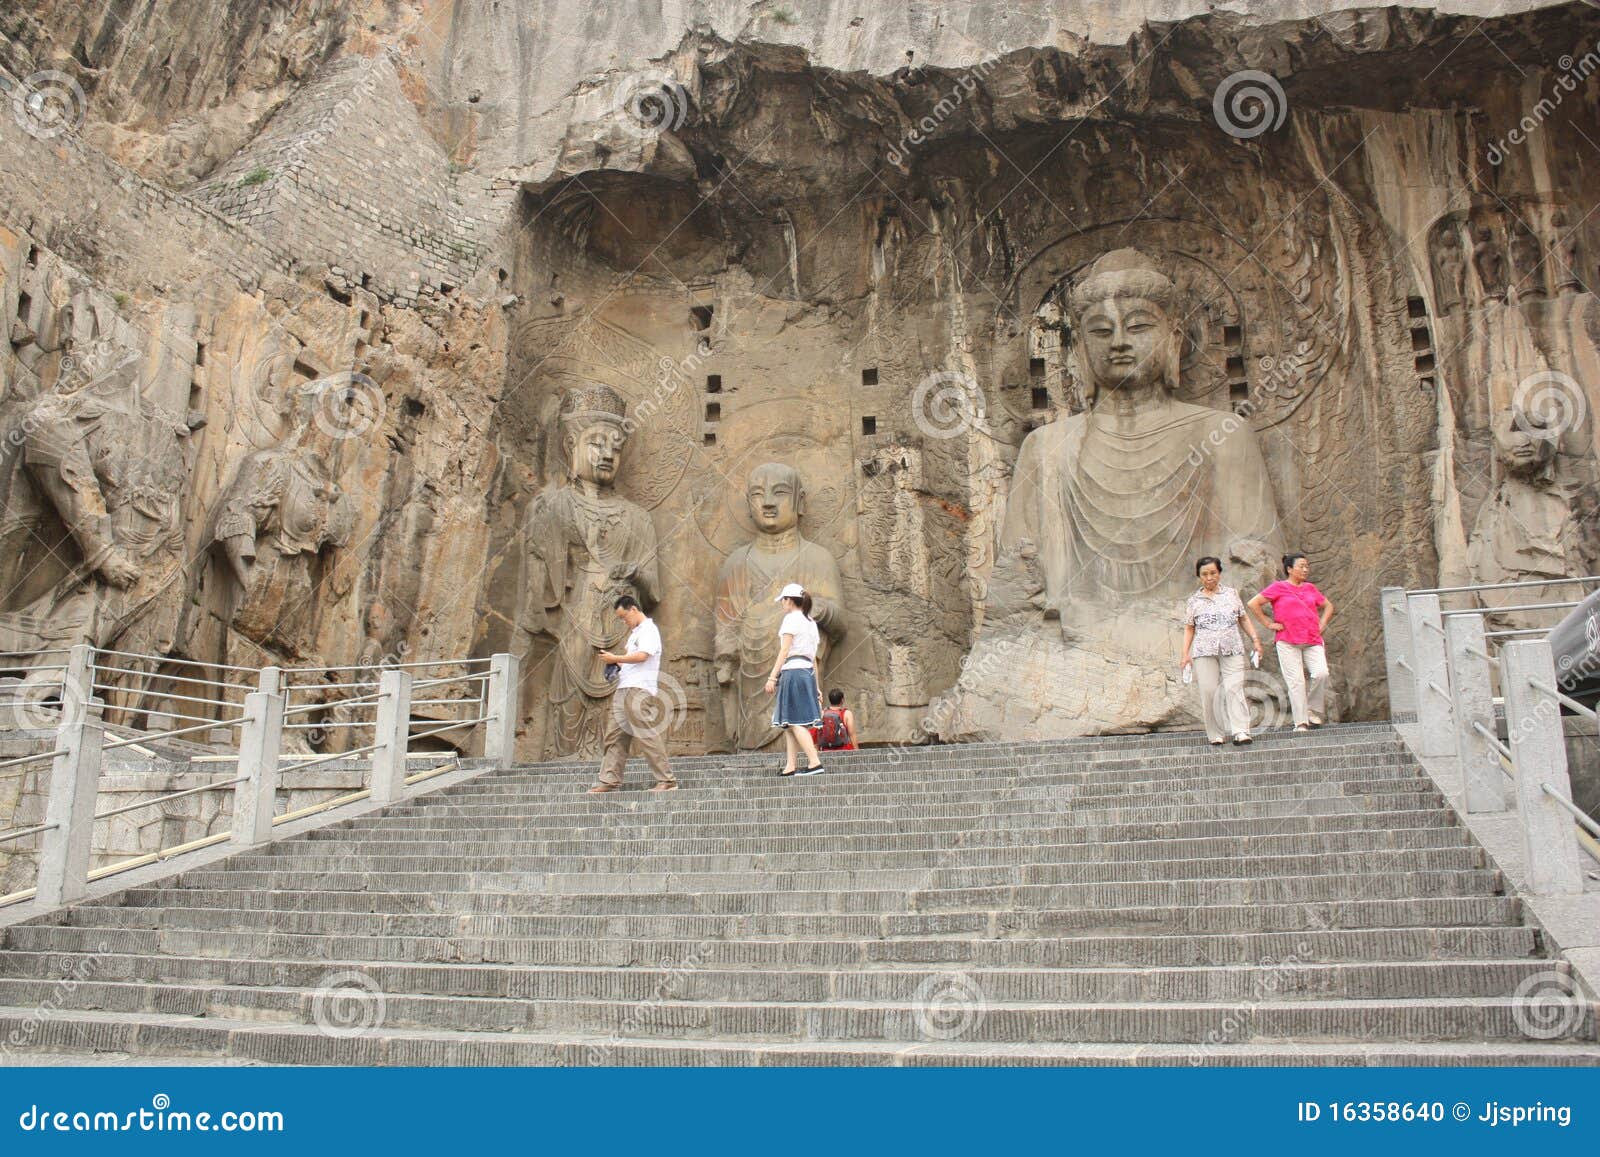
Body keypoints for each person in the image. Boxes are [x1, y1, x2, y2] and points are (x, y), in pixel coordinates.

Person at [587, 595, 677, 793]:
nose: (623, 622)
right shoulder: (635, 634)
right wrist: (614, 663)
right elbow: (632, 660)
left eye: (624, 617)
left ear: (634, 609)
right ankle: (609, 780)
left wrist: (616, 657)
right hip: (624, 688)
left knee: (646, 735)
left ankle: (666, 779)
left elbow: (643, 655)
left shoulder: (649, 630)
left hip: (639, 689)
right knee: (614, 736)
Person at [1180, 556, 1262, 746]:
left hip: (1232, 647)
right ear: (1199, 576)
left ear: (1219, 573)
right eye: (1204, 574)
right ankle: (1215, 733)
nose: (1209, 577)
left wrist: (1255, 640)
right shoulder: (1194, 601)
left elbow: (1243, 618)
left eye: (1213, 573)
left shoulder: (1231, 594)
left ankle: (1241, 731)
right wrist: (1185, 654)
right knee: (1209, 691)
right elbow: (1189, 628)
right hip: (1204, 651)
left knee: (1235, 687)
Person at [1249, 552, 1334, 733]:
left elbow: (1328, 605)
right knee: (1296, 682)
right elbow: (1254, 603)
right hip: (1287, 640)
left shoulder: (1310, 588)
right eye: (1301, 566)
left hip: (1312, 639)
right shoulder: (1279, 587)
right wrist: (1268, 623)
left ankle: (1311, 708)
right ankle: (1301, 722)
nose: (1305, 569)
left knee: (1321, 673)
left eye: (1307, 566)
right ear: (1289, 569)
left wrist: (1322, 624)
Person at [765, 583, 826, 776]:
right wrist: (816, 686)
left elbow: (784, 650)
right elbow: (813, 658)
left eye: (783, 599)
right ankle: (790, 766)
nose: (782, 603)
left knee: (793, 722)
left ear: (789, 600)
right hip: (806, 672)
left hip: (793, 671)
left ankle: (814, 762)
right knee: (790, 722)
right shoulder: (810, 622)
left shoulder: (790, 619)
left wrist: (772, 677)